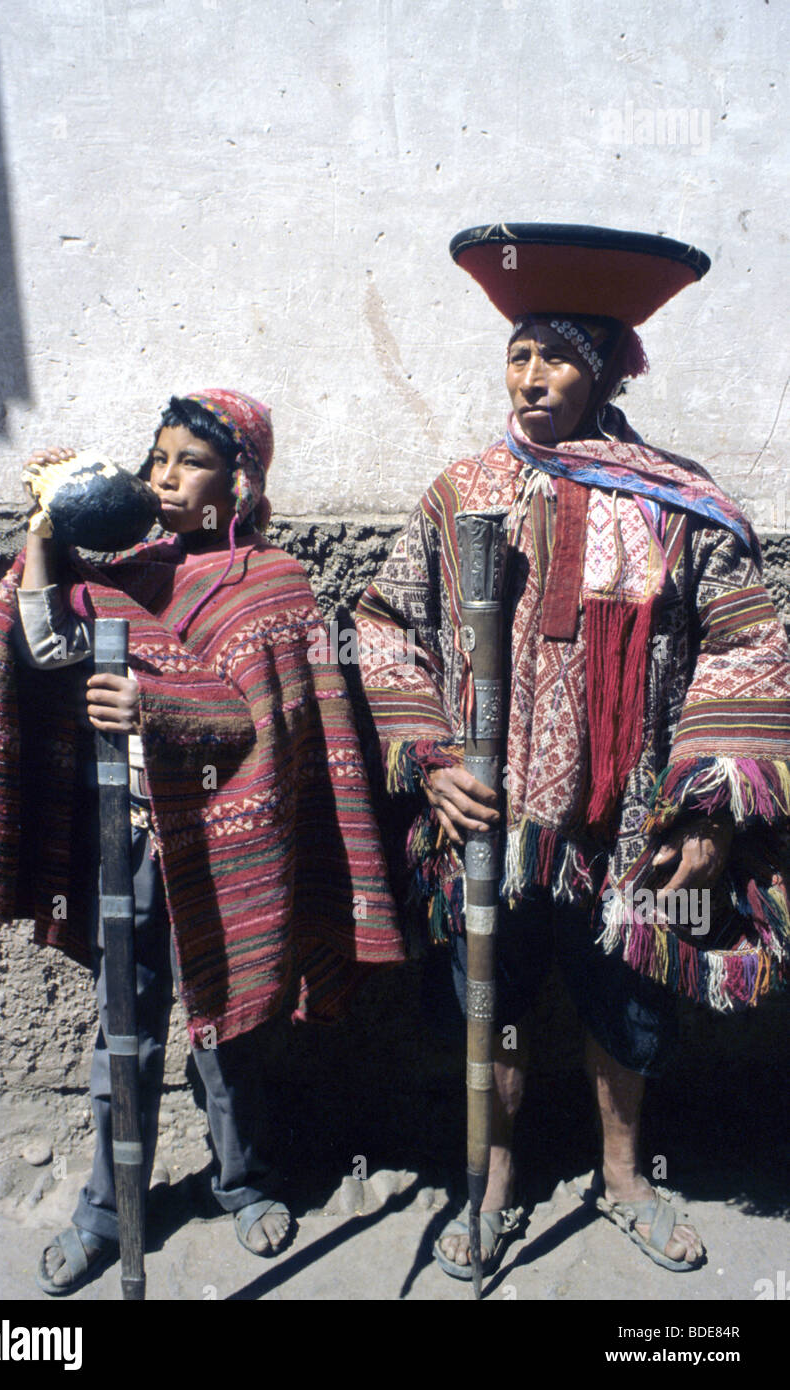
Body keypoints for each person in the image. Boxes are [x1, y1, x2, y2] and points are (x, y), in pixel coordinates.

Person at [354, 224, 790, 1281]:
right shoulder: (462, 492)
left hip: (629, 824)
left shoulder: (676, 501)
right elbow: (379, 624)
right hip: (489, 824)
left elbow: (751, 642)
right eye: (517, 354)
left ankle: (624, 1175)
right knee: (490, 1008)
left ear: (598, 371)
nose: (531, 376)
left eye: (554, 355)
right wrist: (430, 758)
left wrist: (700, 809)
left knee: (627, 1006)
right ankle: (494, 1180)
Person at [0, 387, 404, 1294]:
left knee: (227, 1031)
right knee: (121, 1031)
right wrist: (47, 529)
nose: (165, 478)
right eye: (156, 458)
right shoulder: (127, 570)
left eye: (190, 463)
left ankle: (240, 1180)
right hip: (129, 845)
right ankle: (103, 1208)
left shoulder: (274, 585)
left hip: (225, 850)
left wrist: (154, 705)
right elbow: (48, 648)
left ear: (238, 482)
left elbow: (265, 726)